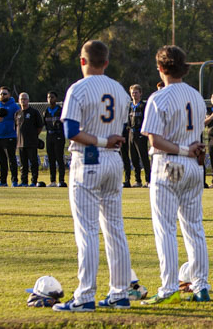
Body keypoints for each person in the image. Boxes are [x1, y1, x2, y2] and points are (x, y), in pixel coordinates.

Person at [53, 40, 142, 312]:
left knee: (88, 231)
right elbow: (122, 127)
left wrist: (101, 142)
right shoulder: (119, 89)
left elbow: (70, 130)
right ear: (106, 62)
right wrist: (107, 142)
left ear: (83, 61)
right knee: (115, 228)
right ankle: (120, 293)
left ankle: (85, 296)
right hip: (114, 161)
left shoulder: (77, 89)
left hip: (88, 158)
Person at [140, 45, 211, 304]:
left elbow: (155, 140)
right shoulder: (196, 95)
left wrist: (182, 149)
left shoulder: (158, 98)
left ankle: (169, 287)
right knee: (195, 228)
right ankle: (201, 286)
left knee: (166, 229)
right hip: (194, 165)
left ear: (160, 68)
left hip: (169, 164)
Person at [0, 86, 21, 187]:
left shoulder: (14, 106)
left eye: (4, 94)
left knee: (12, 160)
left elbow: (19, 119)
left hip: (10, 137)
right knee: (1, 161)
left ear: (9, 95)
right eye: (0, 94)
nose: (2, 95)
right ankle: (3, 181)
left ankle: (14, 181)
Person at [122, 84, 150, 187]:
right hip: (131, 133)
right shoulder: (130, 106)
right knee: (133, 157)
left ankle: (148, 180)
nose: (134, 94)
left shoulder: (143, 106)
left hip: (140, 133)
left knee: (143, 157)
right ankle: (137, 180)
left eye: (136, 92)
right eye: (132, 92)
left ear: (140, 93)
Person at [16, 92, 44, 187]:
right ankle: (24, 181)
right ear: (19, 101)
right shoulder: (17, 113)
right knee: (23, 164)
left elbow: (39, 126)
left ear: (28, 100)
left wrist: (33, 135)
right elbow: (16, 127)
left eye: (24, 99)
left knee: (33, 163)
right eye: (21, 99)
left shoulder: (34, 112)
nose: (23, 101)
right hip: (20, 143)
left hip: (31, 142)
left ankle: (33, 181)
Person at [44, 91, 66, 187]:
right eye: (48, 97)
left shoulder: (61, 110)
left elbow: (65, 123)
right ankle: (52, 180)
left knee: (59, 158)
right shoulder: (46, 112)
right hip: (50, 136)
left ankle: (61, 180)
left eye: (52, 97)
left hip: (59, 135)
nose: (50, 99)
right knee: (51, 159)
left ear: (56, 99)